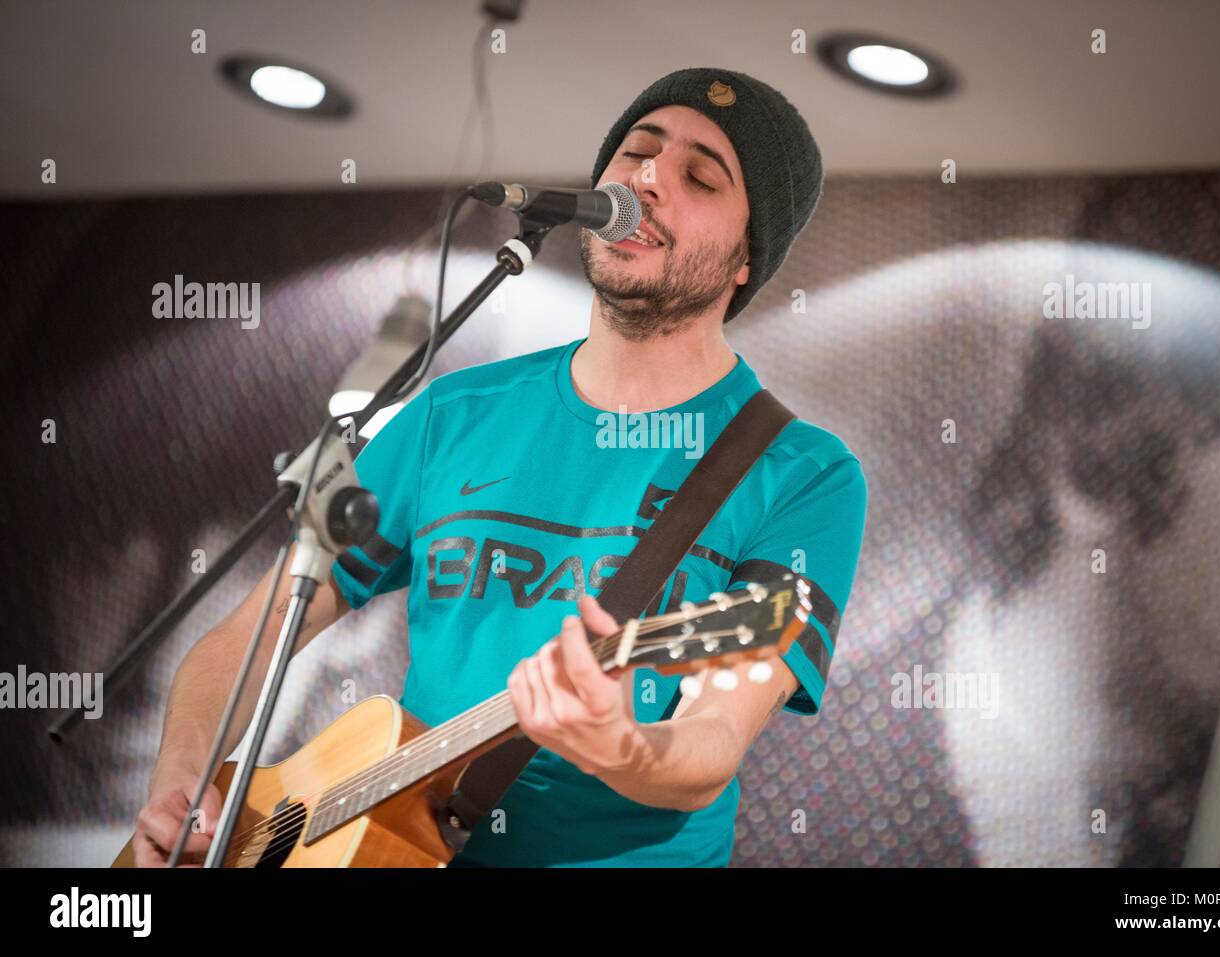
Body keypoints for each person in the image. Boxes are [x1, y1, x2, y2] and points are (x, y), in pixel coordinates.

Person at [134, 67, 868, 868]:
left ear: (744, 260)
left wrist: (620, 744)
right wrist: (183, 781)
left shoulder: (804, 472)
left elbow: (713, 740)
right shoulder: (449, 415)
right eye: (635, 153)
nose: (649, 178)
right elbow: (260, 626)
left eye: (700, 177)